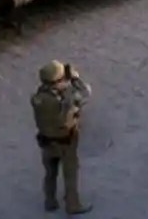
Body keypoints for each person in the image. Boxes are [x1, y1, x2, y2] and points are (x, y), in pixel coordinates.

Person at [31, 60, 93, 214]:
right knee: (70, 175)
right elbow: (86, 94)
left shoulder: (38, 97)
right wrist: (76, 79)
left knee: (50, 174)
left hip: (46, 143)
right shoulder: (64, 102)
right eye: (63, 79)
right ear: (56, 83)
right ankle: (73, 205)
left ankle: (50, 201)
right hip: (65, 143)